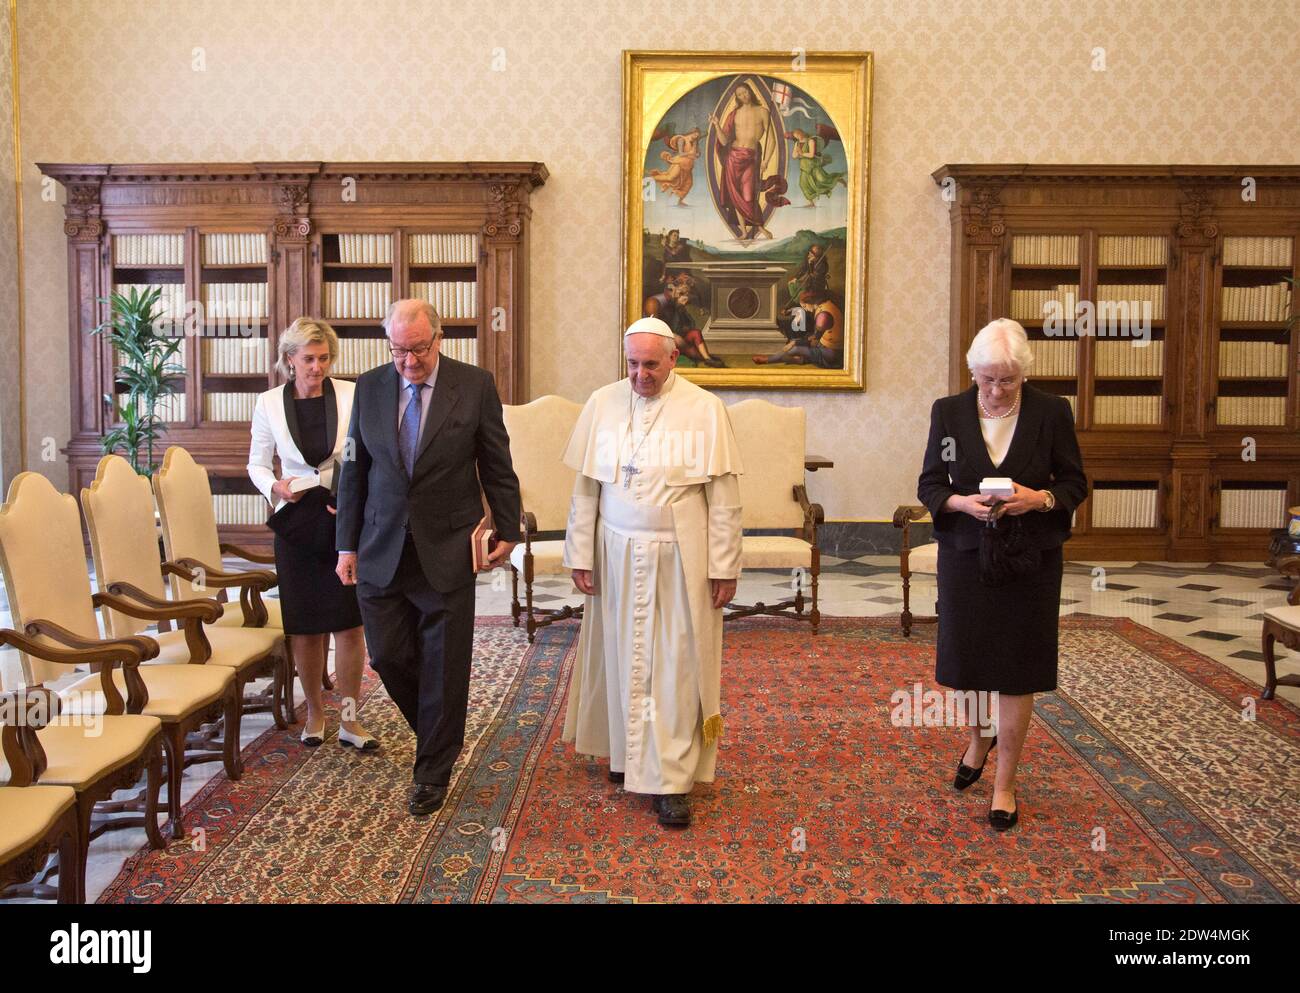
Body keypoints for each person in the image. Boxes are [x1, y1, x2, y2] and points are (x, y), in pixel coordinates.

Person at [334, 299, 521, 817]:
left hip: (447, 545)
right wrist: (345, 544)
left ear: (439, 338)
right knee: (388, 655)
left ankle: (432, 769)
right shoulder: (370, 387)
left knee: (444, 662)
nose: (410, 362)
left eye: (418, 349)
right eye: (399, 351)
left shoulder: (475, 384)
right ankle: (440, 730)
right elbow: (352, 469)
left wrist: (507, 526)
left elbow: (496, 462)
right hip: (379, 545)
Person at [561, 317, 743, 827]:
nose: (641, 375)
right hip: (615, 550)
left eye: (651, 365)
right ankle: (626, 756)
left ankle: (671, 780)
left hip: (679, 556)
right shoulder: (603, 403)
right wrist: (580, 552)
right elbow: (585, 489)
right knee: (619, 656)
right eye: (633, 364)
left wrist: (723, 566)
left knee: (676, 667)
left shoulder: (705, 410)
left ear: (674, 360)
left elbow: (724, 499)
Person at [916, 318, 1087, 831]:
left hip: (1030, 556)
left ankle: (1005, 783)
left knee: (1017, 668)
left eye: (1006, 379)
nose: (995, 389)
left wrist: (1041, 499)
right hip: (967, 552)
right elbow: (929, 483)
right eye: (987, 378)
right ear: (973, 371)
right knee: (967, 663)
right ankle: (977, 739)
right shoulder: (948, 412)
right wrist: (960, 503)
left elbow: (1075, 481)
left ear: (1023, 375)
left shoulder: (1051, 412)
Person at [247, 317, 372, 750]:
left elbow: (362, 452)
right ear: (289, 360)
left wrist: (354, 493)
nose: (317, 367)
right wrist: (274, 486)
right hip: (297, 521)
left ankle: (351, 721)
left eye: (323, 359)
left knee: (350, 625)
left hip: (342, 515)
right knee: (305, 627)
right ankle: (316, 714)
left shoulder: (353, 395)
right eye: (308, 359)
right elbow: (257, 464)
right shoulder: (268, 403)